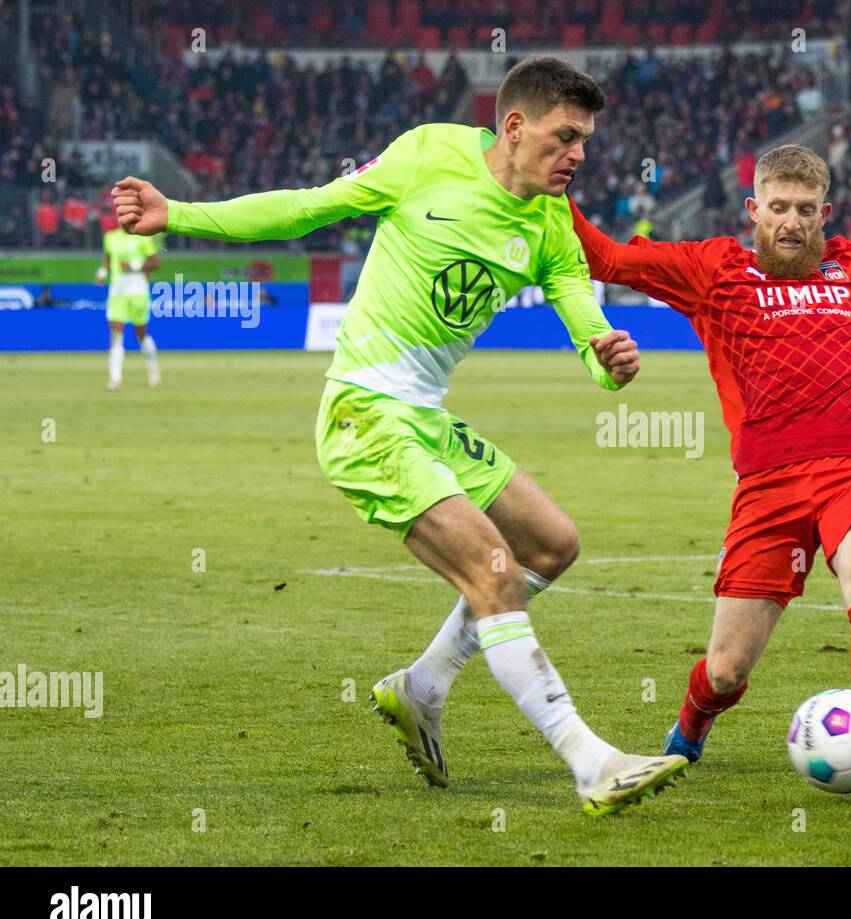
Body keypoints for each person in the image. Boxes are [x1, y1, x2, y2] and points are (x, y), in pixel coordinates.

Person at [110, 55, 685, 815]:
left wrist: (611, 359)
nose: (578, 154)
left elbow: (588, 331)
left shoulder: (551, 226)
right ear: (515, 127)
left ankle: (422, 686)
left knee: (551, 544)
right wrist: (177, 213)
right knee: (497, 575)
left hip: (424, 420)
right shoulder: (427, 155)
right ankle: (590, 762)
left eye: (585, 140)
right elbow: (305, 210)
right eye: (565, 136)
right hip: (364, 413)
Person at [569, 145, 851, 803]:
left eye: (806, 210)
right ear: (754, 209)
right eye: (780, 208)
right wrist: (553, 183)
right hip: (767, 487)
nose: (792, 222)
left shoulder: (847, 262)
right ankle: (689, 730)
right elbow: (607, 257)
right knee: (726, 670)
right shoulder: (712, 270)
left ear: (824, 215)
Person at [97, 215, 162, 391]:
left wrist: (135, 268)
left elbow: (155, 263)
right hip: (118, 291)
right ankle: (115, 379)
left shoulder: (144, 237)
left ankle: (153, 367)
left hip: (138, 290)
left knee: (141, 335)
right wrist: (102, 273)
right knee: (116, 335)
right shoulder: (110, 238)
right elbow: (108, 259)